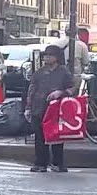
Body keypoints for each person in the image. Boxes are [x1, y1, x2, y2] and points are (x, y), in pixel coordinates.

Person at [26, 44, 74, 173]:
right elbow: (31, 90)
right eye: (45, 55)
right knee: (40, 137)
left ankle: (58, 163)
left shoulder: (64, 72)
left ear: (57, 57)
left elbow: (72, 89)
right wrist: (28, 108)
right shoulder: (39, 73)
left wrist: (60, 93)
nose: (47, 58)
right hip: (39, 107)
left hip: (56, 108)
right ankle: (40, 163)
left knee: (57, 137)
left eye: (50, 55)